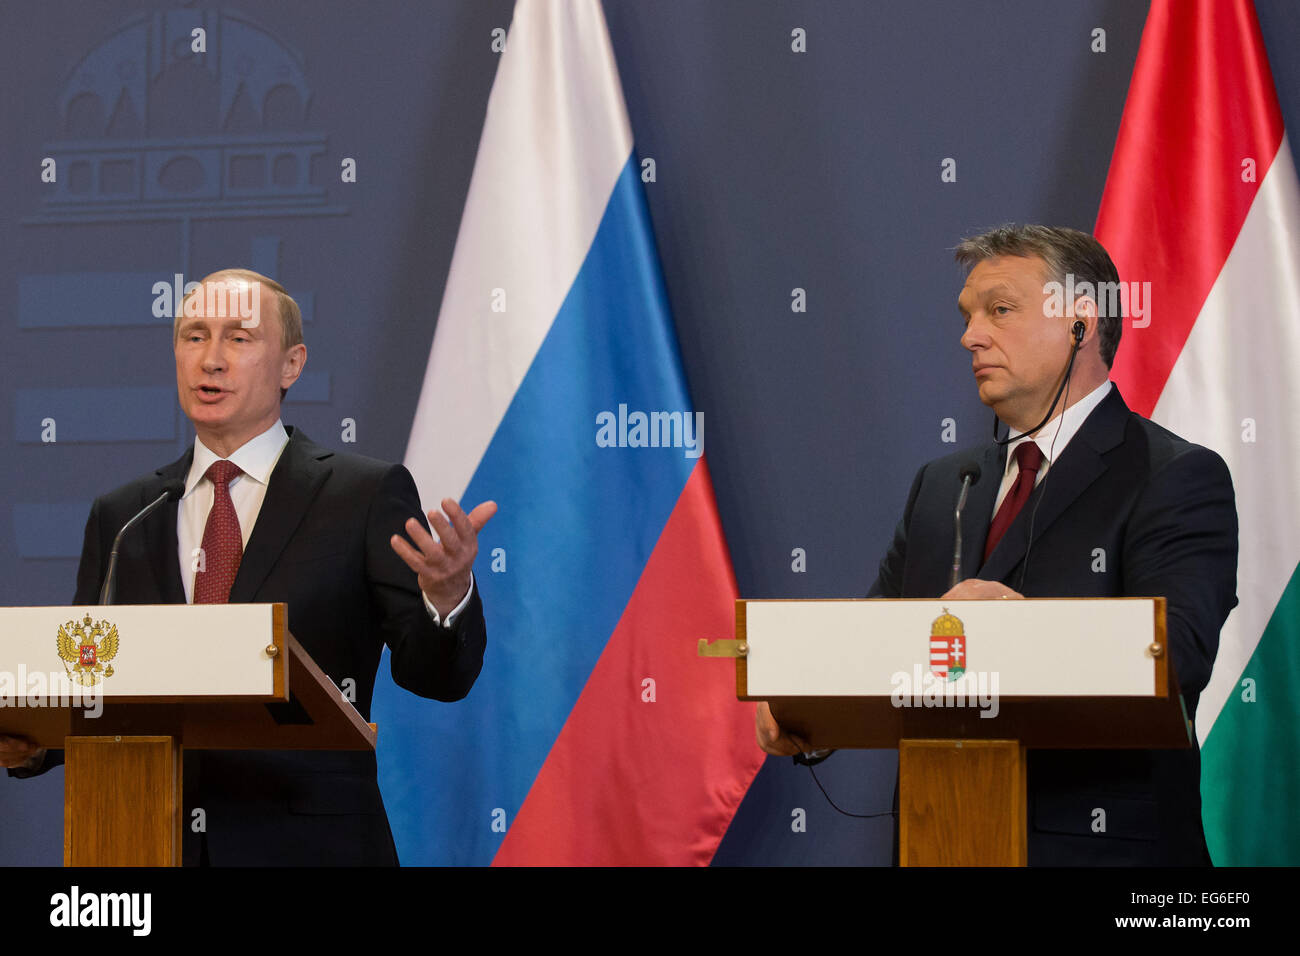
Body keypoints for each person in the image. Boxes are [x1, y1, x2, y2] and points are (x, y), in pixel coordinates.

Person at [757, 225, 1238, 866]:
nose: (970, 335)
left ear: (1080, 321)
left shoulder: (1173, 475)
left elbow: (1175, 658)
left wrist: (1019, 631)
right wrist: (803, 704)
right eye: (967, 316)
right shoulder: (944, 485)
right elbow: (873, 645)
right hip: (941, 843)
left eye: (1000, 310)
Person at [2, 269, 495, 866]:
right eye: (193, 336)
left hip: (311, 850)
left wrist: (446, 597)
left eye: (238, 338)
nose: (210, 360)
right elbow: (92, 684)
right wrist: (30, 744)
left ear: (291, 365)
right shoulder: (127, 515)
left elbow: (438, 678)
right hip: (146, 843)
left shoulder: (362, 493)